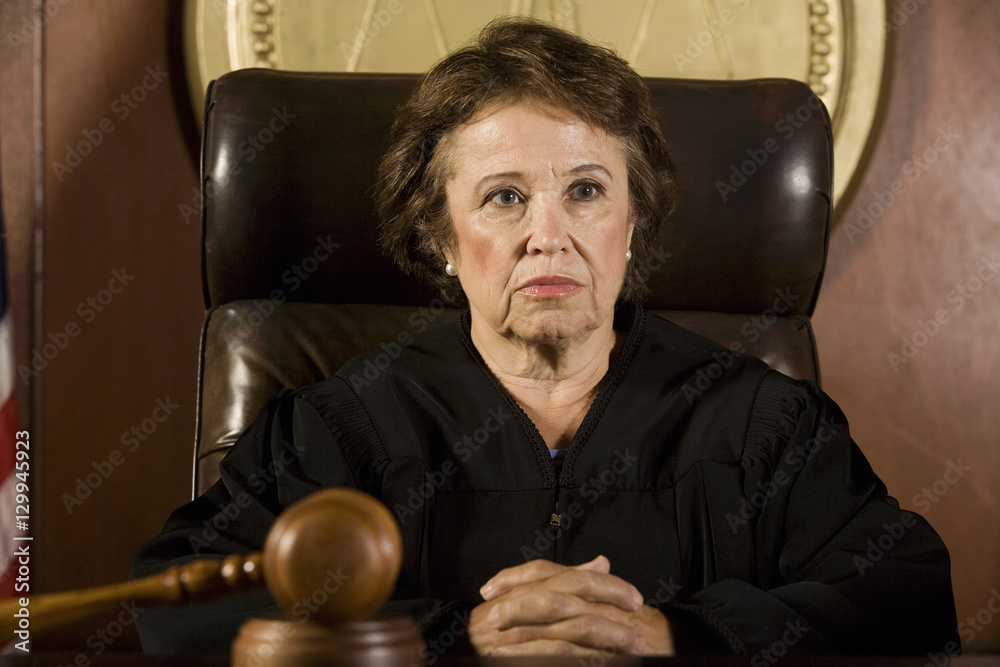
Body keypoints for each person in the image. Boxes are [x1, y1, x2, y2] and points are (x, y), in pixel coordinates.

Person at [132, 16, 958, 658]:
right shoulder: (338, 429)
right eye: (503, 197)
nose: (548, 236)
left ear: (632, 225)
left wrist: (673, 634)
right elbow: (173, 602)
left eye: (587, 190)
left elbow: (907, 597)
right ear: (440, 240)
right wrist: (460, 636)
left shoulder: (759, 423)